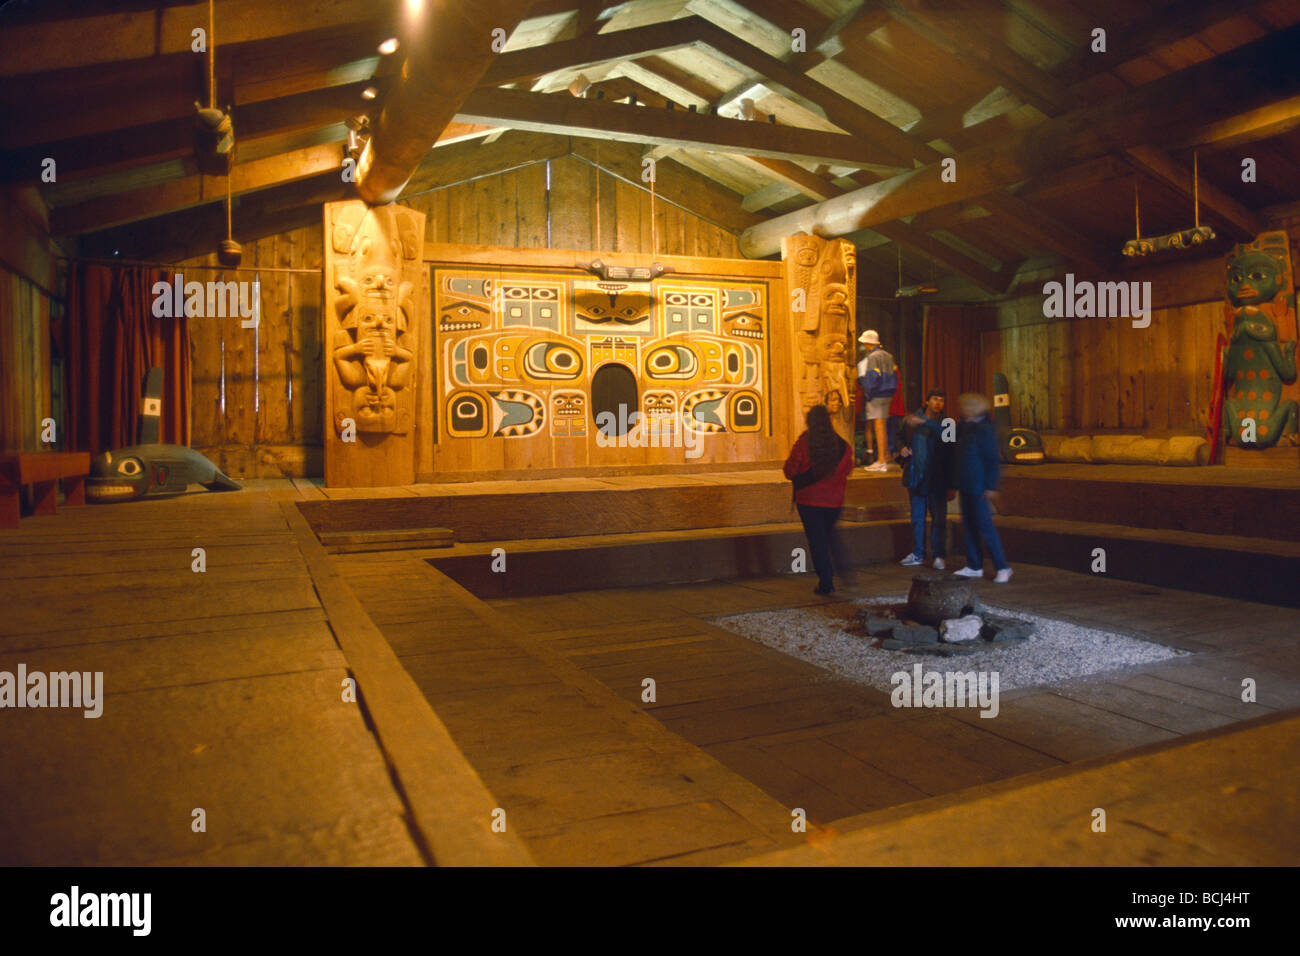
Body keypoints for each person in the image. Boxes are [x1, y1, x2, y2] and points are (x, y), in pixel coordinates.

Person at [783, 402, 855, 596]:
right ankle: (845, 572)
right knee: (831, 536)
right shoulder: (842, 445)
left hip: (809, 501)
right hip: (834, 501)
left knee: (817, 542)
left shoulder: (804, 442)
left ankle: (826, 581)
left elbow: (790, 471)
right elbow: (848, 469)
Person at [950, 393, 1012, 583]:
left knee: (985, 526)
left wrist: (991, 485)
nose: (963, 410)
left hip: (979, 486)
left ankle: (1002, 566)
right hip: (966, 484)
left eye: (967, 406)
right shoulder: (965, 427)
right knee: (969, 525)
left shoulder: (984, 429)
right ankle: (974, 565)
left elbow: (992, 460)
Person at [898, 388, 952, 570]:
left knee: (938, 519)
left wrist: (926, 423)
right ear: (927, 401)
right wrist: (903, 451)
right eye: (935, 399)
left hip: (937, 478)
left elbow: (949, 441)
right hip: (916, 475)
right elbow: (900, 439)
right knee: (917, 517)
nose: (938, 403)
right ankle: (918, 553)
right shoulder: (911, 421)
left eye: (941, 400)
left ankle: (938, 555)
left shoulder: (947, 422)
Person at [857, 330, 897, 472]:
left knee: (878, 426)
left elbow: (872, 378)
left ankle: (881, 461)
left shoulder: (873, 357)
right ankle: (884, 458)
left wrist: (868, 393)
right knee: (882, 426)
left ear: (868, 343)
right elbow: (893, 375)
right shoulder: (888, 356)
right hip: (888, 393)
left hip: (876, 395)